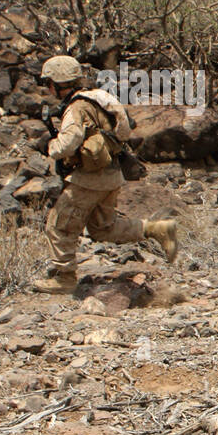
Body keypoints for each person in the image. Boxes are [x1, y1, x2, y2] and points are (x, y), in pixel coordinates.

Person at [31, 55, 177, 294]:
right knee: (103, 228)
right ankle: (156, 229)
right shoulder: (96, 98)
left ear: (56, 83)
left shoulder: (76, 108)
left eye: (49, 83)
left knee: (59, 226)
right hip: (110, 175)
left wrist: (50, 148)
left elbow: (68, 143)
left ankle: (64, 278)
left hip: (88, 180)